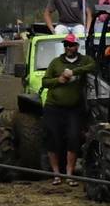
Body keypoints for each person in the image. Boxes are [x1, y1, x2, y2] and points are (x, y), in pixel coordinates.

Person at [39, 32, 94, 186]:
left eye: (71, 45)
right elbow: (45, 81)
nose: (68, 47)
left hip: (74, 108)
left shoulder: (83, 61)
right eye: (66, 45)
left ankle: (70, 174)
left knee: (73, 138)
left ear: (77, 46)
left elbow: (93, 65)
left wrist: (74, 72)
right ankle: (56, 174)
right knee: (53, 138)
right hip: (53, 107)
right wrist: (59, 79)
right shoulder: (56, 62)